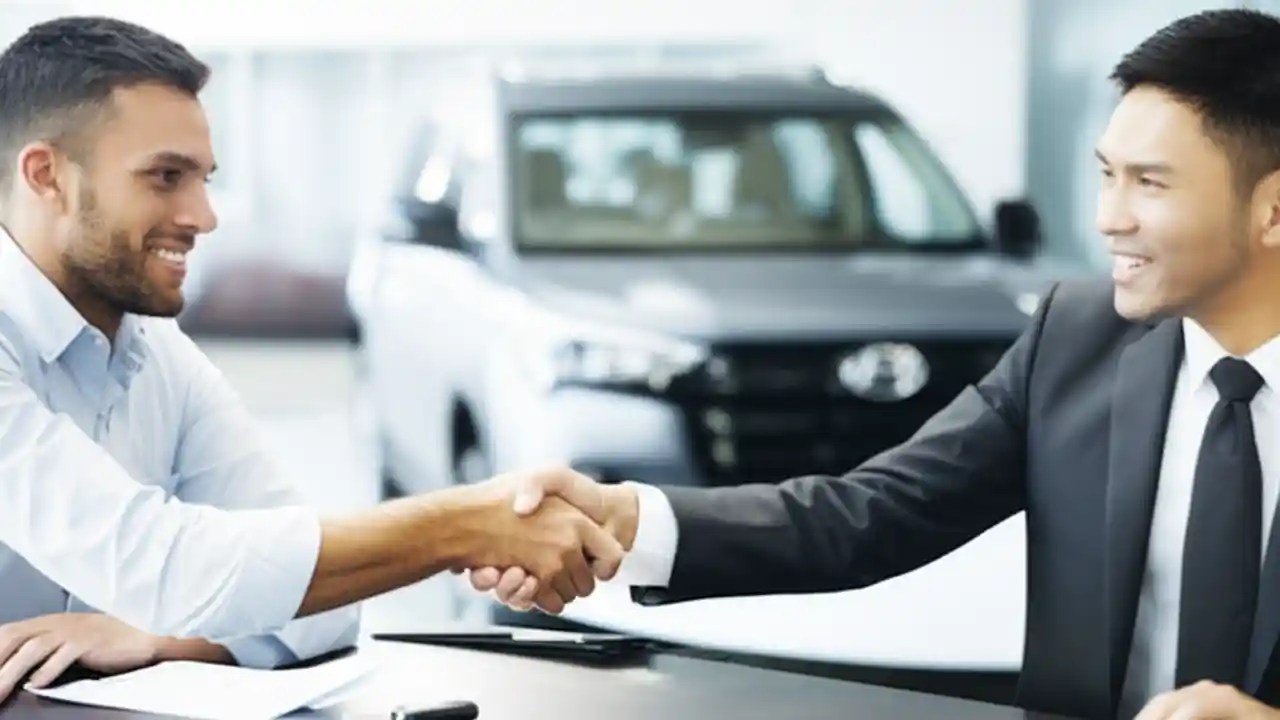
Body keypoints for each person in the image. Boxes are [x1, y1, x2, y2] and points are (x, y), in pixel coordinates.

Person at [470, 8, 1280, 720]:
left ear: (1272, 208)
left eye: (1151, 184)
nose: (1110, 218)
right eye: (1107, 175)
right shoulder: (1076, 340)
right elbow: (865, 514)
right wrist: (623, 520)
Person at [0, 16, 624, 702]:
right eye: (166, 177)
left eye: (205, 179)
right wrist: (467, 525)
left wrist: (163, 639)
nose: (203, 215)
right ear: (46, 175)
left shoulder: (155, 354)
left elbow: (321, 606)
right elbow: (171, 569)